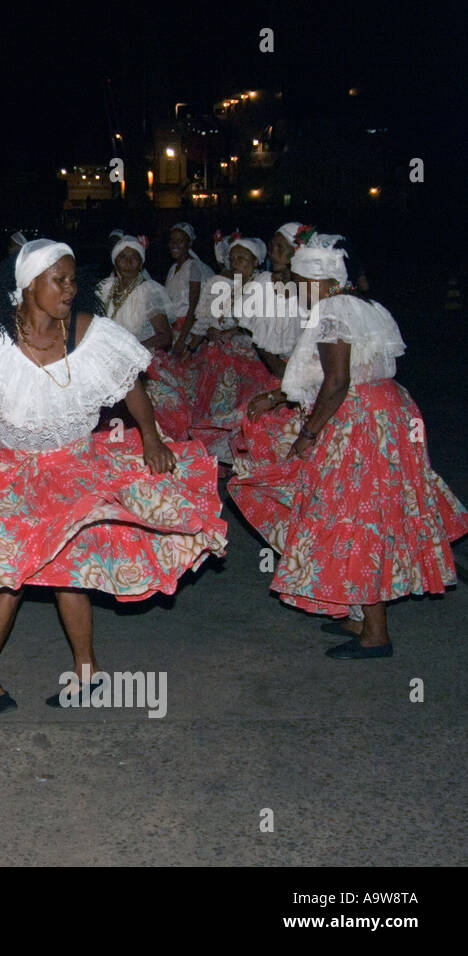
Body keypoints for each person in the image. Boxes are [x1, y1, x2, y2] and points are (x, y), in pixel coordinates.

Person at [0, 240, 226, 710]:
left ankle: (89, 673)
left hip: (73, 469)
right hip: (13, 472)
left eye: (71, 279)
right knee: (9, 577)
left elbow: (131, 387)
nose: (69, 288)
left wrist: (151, 438)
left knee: (69, 576)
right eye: (58, 280)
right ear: (28, 285)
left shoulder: (89, 333)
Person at [229, 232, 468, 658]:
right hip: (389, 411)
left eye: (299, 280)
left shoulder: (332, 312)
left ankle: (375, 633)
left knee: (354, 515)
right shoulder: (364, 306)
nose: (296, 288)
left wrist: (308, 434)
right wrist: (277, 397)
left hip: (359, 420)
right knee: (372, 510)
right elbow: (340, 374)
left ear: (316, 280)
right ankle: (359, 614)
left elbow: (337, 382)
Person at [186, 237, 281, 463]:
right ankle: (211, 454)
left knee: (230, 401)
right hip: (218, 352)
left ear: (256, 260)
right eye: (232, 258)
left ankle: (228, 453)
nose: (235, 263)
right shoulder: (229, 285)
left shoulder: (264, 284)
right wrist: (212, 332)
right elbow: (214, 320)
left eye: (242, 258)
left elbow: (265, 325)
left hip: (249, 356)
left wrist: (236, 332)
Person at [96, 236, 192, 440]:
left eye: (134, 257)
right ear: (115, 261)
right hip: (107, 359)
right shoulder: (104, 288)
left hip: (142, 358)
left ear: (141, 262)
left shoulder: (149, 290)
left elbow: (165, 336)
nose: (128, 261)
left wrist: (131, 350)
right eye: (123, 256)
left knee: (159, 402)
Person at [166, 223, 216, 355]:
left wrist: (182, 340)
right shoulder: (172, 269)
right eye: (172, 240)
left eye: (180, 241)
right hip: (174, 327)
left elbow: (193, 307)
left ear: (189, 243)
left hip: (187, 329)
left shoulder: (193, 267)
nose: (174, 245)